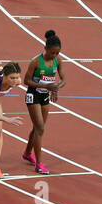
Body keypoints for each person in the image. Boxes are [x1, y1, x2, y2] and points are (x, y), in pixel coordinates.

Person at [22, 30, 65, 175]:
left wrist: (56, 89)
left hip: (45, 97)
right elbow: (26, 81)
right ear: (45, 48)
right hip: (33, 95)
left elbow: (64, 79)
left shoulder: (57, 61)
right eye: (52, 53)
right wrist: (46, 86)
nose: (54, 56)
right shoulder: (36, 61)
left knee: (37, 128)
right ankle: (39, 164)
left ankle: (28, 153)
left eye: (57, 53)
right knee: (40, 128)